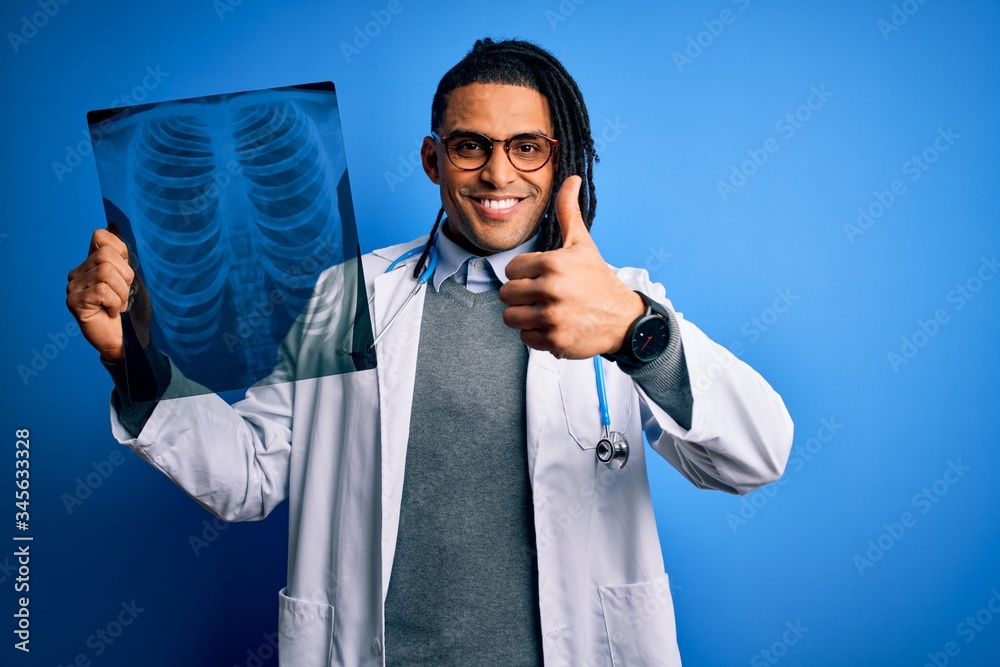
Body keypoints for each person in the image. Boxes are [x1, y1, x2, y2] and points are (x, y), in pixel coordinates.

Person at [66, 38, 793, 667]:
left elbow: (757, 456)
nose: (499, 175)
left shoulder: (619, 301)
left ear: (559, 159)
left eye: (527, 147)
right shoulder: (348, 294)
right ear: (432, 158)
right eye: (470, 145)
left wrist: (639, 330)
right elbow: (250, 472)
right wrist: (130, 360)